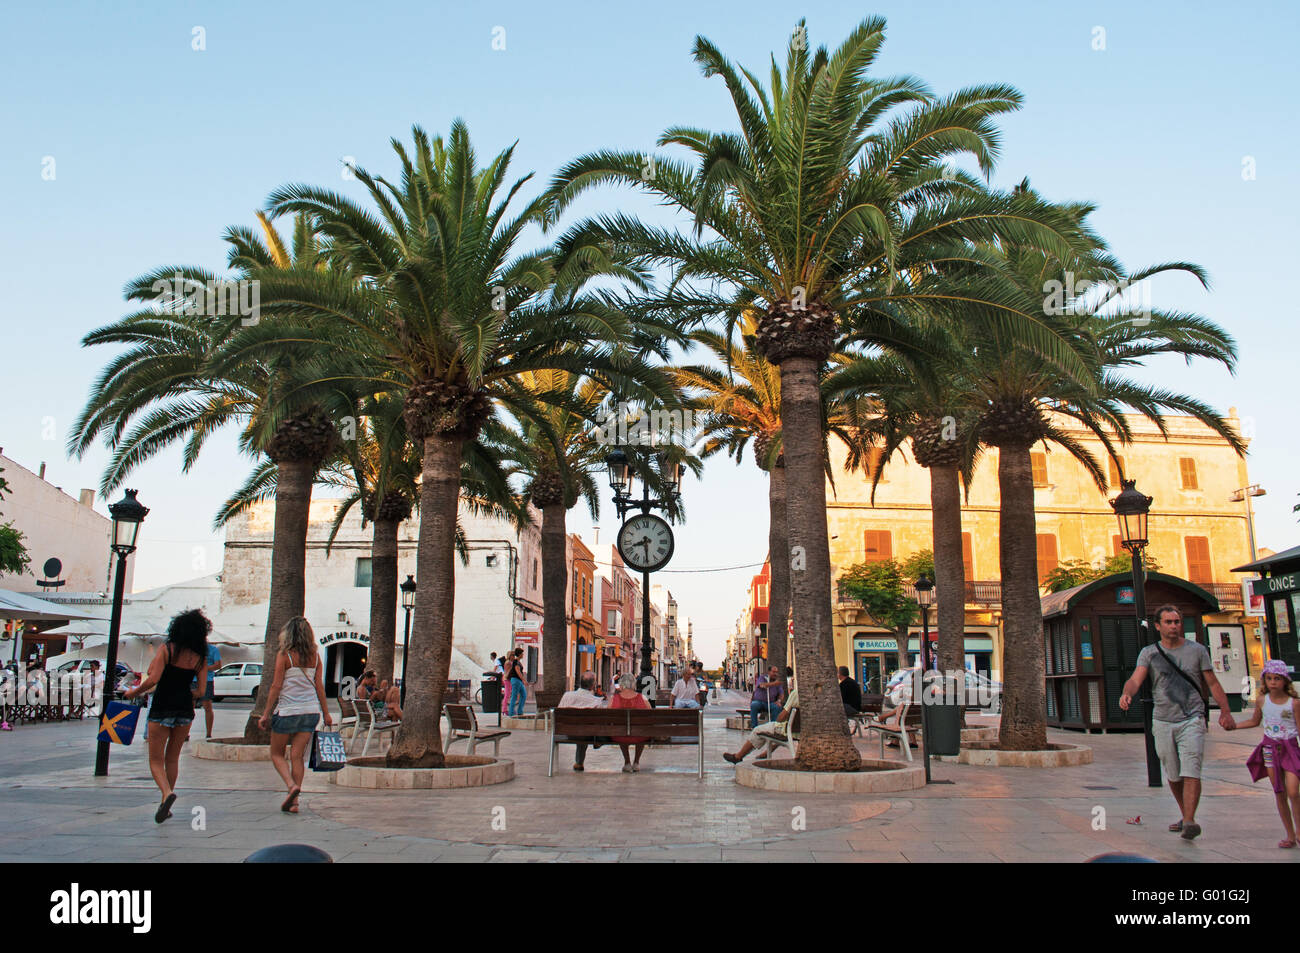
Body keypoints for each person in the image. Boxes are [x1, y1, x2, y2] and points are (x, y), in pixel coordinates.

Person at [1119, 604, 1233, 841]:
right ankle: (1185, 814)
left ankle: (1190, 820)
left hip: (1192, 717)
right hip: (1162, 720)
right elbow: (1135, 678)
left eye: (1177, 622)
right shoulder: (1149, 653)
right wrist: (1126, 693)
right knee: (1173, 774)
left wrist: (1225, 710)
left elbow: (1211, 682)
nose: (1174, 626)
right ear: (1158, 626)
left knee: (1191, 768)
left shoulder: (1197, 650)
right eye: (1168, 622)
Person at [123, 608, 210, 823]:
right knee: (173, 758)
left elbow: (153, 680)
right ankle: (166, 800)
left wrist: (132, 692)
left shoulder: (167, 649)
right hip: (184, 710)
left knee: (155, 759)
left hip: (162, 706)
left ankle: (166, 793)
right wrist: (188, 693)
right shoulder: (200, 658)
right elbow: (200, 691)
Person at [258, 616, 333, 814]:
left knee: (276, 753)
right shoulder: (315, 656)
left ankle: (291, 786)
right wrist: (326, 713)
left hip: (287, 711)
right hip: (310, 712)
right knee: (297, 756)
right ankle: (295, 803)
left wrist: (265, 713)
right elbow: (319, 686)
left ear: (288, 633)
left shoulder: (285, 655)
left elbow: (276, 686)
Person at [1235, 659, 1300, 847]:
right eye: (1269, 678)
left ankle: (1299, 830)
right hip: (1269, 748)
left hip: (1290, 747)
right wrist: (1235, 727)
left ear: (1285, 681)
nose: (1273, 682)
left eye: (1277, 678)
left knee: (1294, 791)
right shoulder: (1263, 700)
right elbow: (1255, 721)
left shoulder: (1294, 703)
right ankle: (1289, 835)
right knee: (1279, 791)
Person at [724, 684, 798, 763]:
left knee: (758, 730)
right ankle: (765, 753)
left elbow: (780, 719)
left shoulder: (796, 694)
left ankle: (738, 756)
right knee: (775, 731)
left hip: (789, 731)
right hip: (801, 733)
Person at [558, 671, 606, 771]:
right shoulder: (596, 701)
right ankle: (597, 741)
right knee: (585, 728)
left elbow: (559, 714)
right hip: (587, 734)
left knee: (581, 727)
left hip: (568, 731)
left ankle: (579, 763)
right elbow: (601, 721)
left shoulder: (567, 696)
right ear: (593, 685)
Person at [610, 673, 651, 772]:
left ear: (621, 684)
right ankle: (636, 762)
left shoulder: (614, 699)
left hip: (619, 735)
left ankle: (627, 762)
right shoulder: (643, 698)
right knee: (641, 730)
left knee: (621, 730)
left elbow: (609, 718)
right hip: (640, 735)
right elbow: (650, 715)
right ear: (634, 684)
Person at [192, 640, 221, 739]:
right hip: (192, 680)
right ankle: (185, 732)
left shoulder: (213, 649)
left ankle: (208, 733)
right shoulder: (191, 649)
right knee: (189, 707)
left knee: (207, 706)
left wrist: (204, 668)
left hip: (207, 680)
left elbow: (218, 665)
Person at [506, 648, 528, 717]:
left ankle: (520, 711)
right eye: (522, 653)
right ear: (519, 654)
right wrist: (524, 680)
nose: (523, 655)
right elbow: (518, 671)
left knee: (523, 695)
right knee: (514, 696)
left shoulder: (518, 661)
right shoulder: (516, 662)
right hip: (516, 680)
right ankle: (511, 712)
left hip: (519, 681)